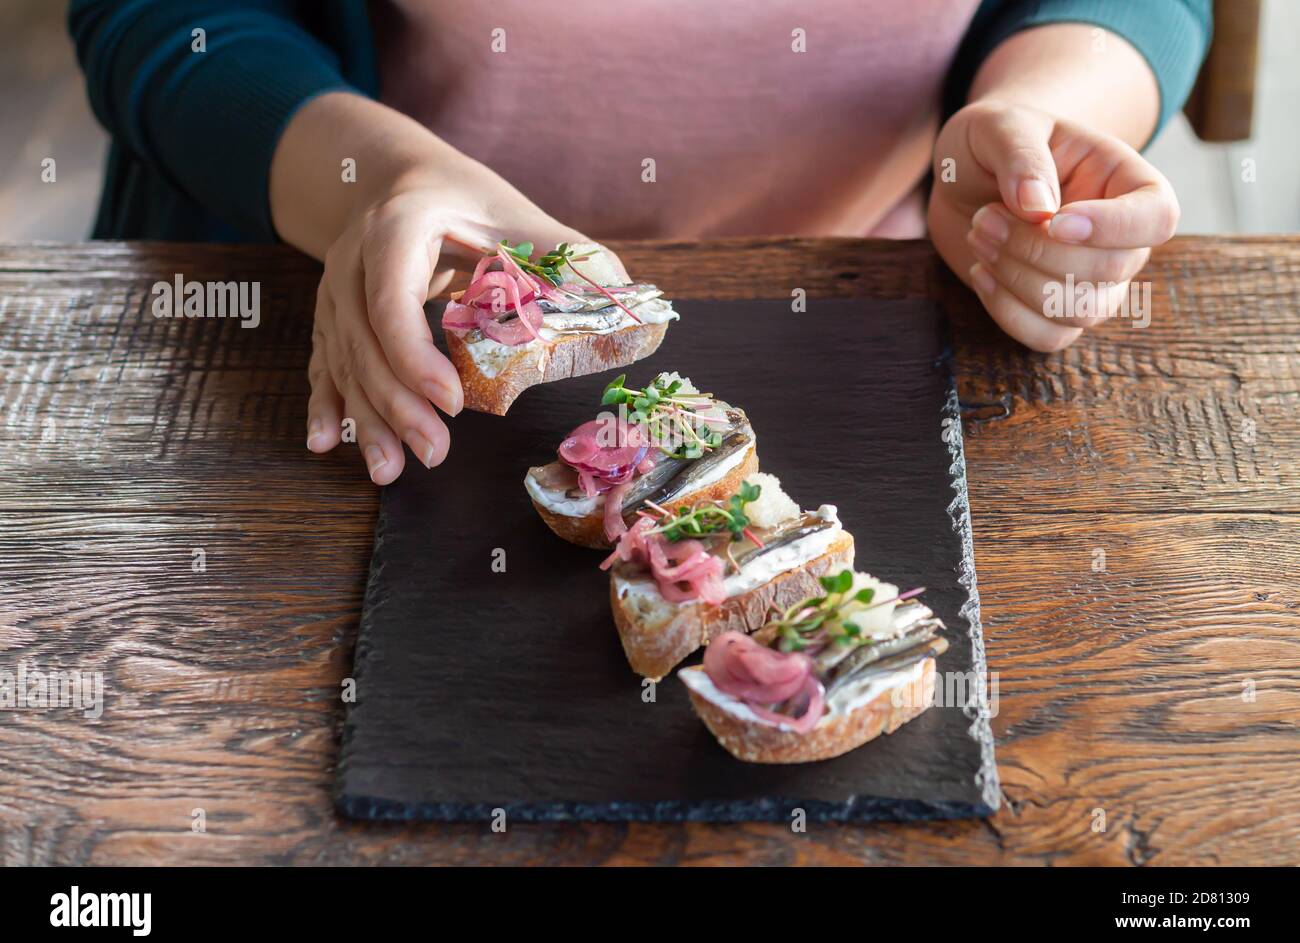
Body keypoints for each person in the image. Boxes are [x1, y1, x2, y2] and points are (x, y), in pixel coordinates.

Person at [69, 1, 1210, 484]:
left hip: (886, 309)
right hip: (373, 318)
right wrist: (376, 181)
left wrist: (1047, 120)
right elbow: (167, 16)